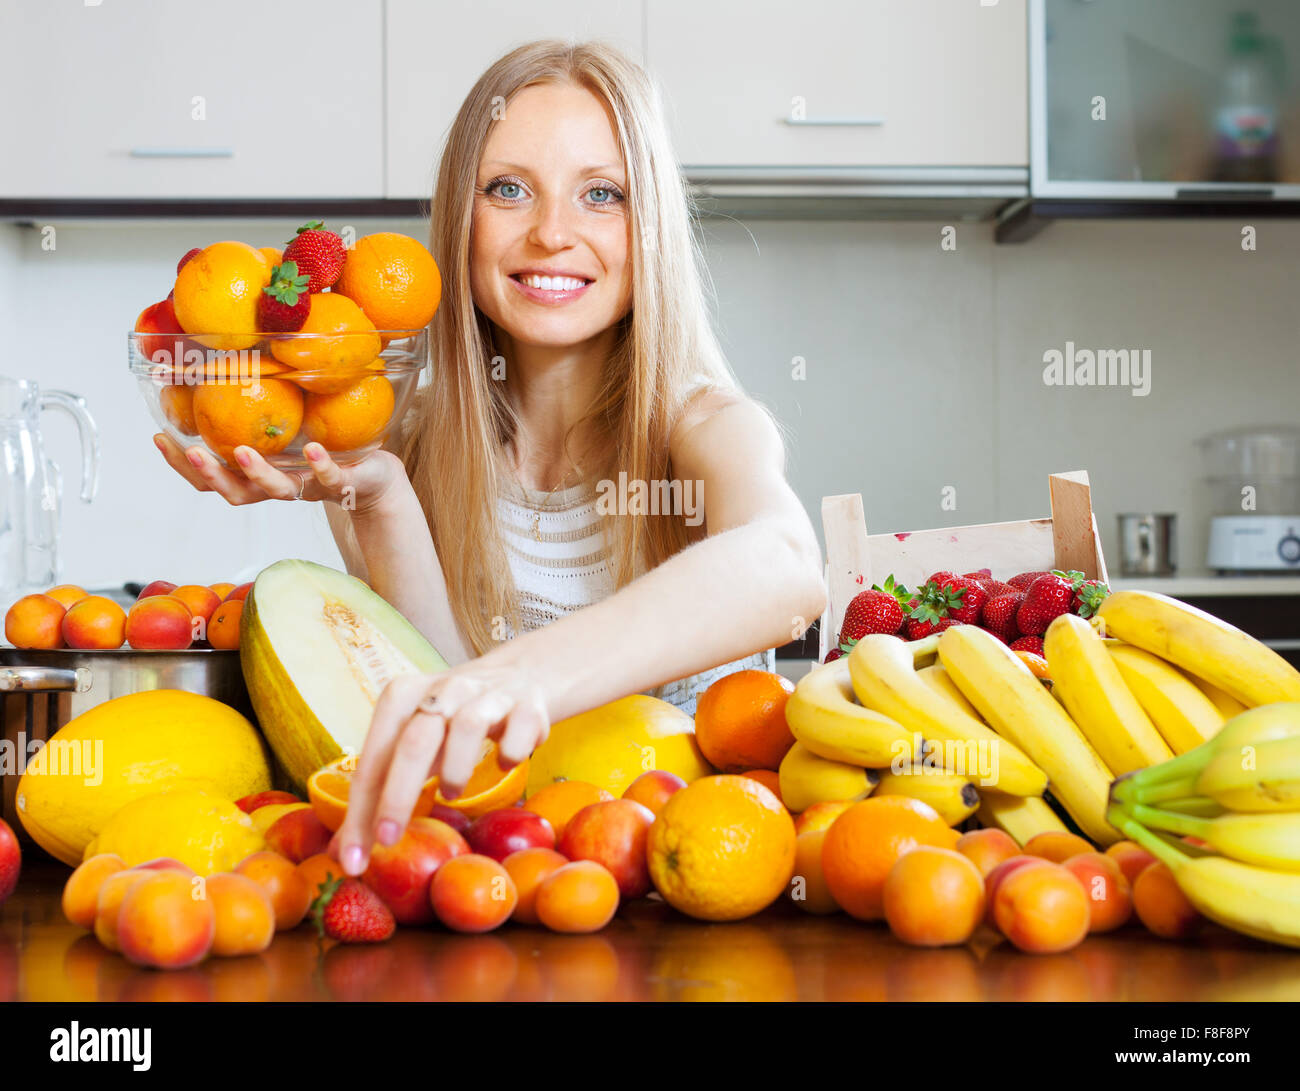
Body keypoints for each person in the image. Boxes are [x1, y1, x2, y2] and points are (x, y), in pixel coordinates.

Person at [155, 40, 826, 876]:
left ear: (648, 224)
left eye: (602, 195)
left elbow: (787, 564)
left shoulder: (706, 427)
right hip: (523, 898)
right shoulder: (394, 445)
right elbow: (466, 760)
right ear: (459, 220)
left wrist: (532, 675)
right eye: (508, 189)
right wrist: (384, 503)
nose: (552, 232)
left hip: (695, 898)